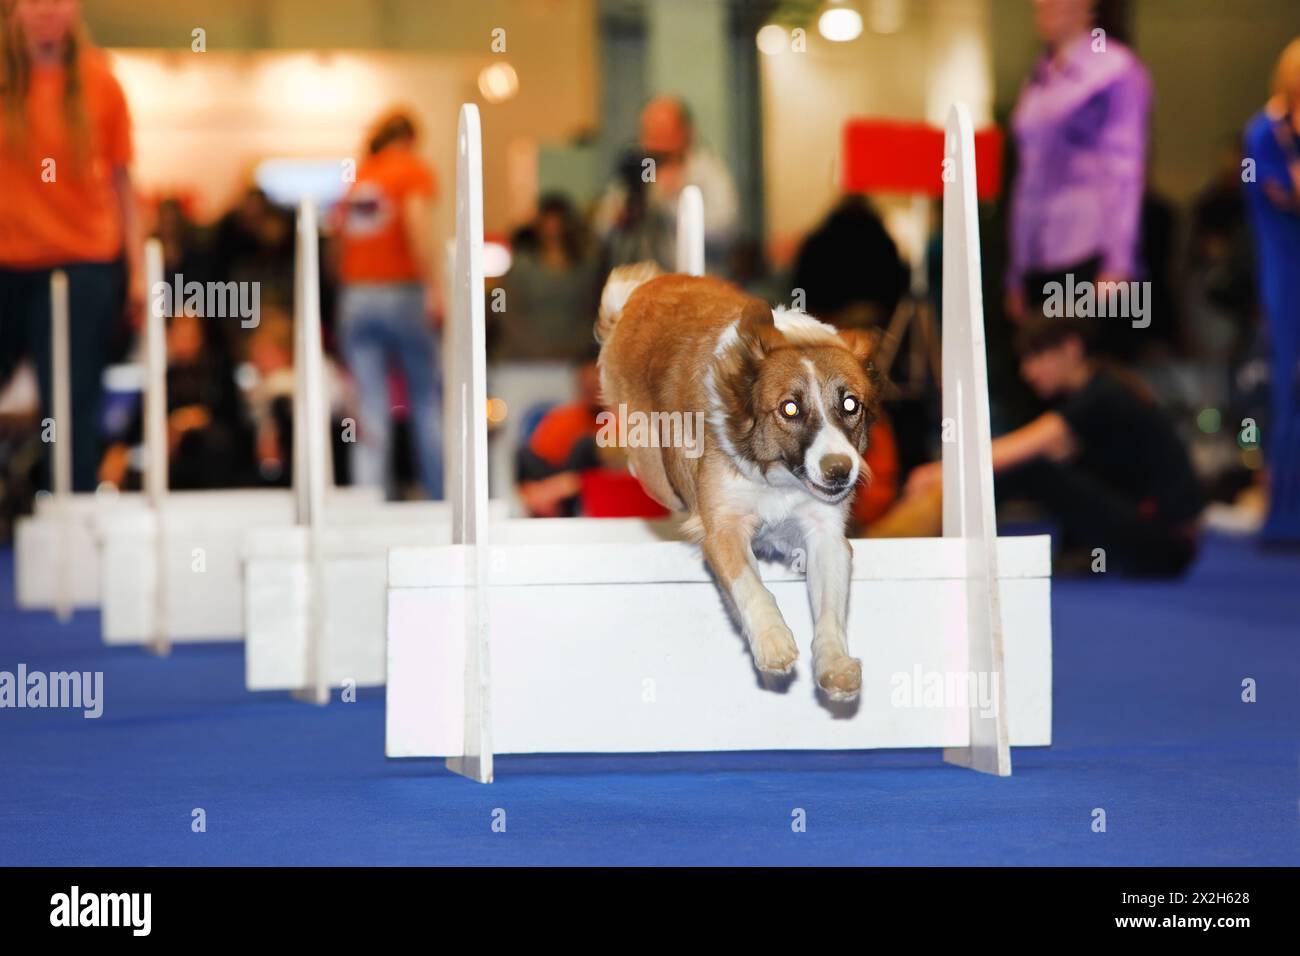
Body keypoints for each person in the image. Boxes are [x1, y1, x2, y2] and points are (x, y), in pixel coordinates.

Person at [880, 316, 1203, 577]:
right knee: (1051, 466)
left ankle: (918, 542)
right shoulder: (1101, 388)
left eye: (1036, 357)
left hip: (1166, 545)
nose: (1027, 371)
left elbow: (1018, 450)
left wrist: (939, 473)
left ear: (1071, 349)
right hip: (1162, 540)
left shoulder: (1101, 395)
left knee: (1030, 468)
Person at [0, 0, 143, 491]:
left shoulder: (100, 84)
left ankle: (73, 518)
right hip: (6, 264)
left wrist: (141, 273)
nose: (45, 10)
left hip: (81, 268)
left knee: (74, 405)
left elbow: (124, 184)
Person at [1005, 0, 1151, 358]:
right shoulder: (1040, 75)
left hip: (1089, 251)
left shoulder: (1115, 70)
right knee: (1042, 376)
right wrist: (1017, 269)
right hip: (1041, 256)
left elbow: (1124, 167)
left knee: (1087, 377)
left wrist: (1118, 261)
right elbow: (1027, 178)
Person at [333, 109, 443, 499]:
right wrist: (434, 286)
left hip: (356, 297)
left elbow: (338, 244)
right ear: (410, 140)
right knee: (425, 399)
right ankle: (438, 495)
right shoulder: (411, 170)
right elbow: (415, 224)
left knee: (369, 405)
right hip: (402, 292)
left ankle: (369, 498)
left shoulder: (360, 178)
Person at [1242, 38, 1300, 544]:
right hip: (1287, 278)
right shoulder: (1265, 134)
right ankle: (1284, 515)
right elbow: (1284, 193)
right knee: (1290, 388)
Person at [595, 95, 738, 274]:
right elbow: (602, 227)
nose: (654, 143)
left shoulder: (706, 170)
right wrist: (621, 214)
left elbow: (724, 233)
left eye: (663, 134)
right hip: (648, 284)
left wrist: (671, 201)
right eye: (649, 133)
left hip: (699, 284)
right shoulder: (647, 167)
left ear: (686, 133)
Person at [495, 193, 598, 361]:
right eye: (548, 222)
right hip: (523, 360)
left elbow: (590, 312)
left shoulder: (585, 268)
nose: (553, 228)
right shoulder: (521, 267)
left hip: (572, 360)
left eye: (557, 222)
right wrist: (534, 347)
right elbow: (503, 310)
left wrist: (574, 348)